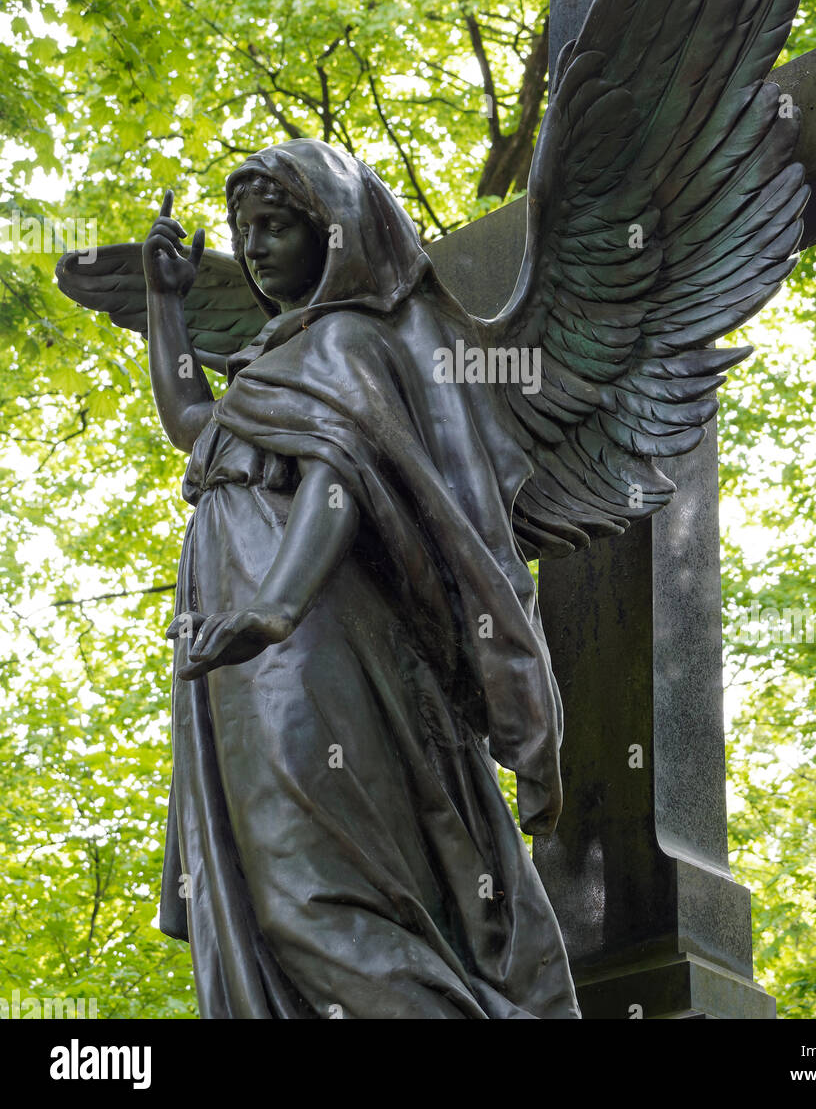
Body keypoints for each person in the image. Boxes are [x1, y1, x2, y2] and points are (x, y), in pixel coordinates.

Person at [145, 137, 580, 1019]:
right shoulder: (279, 357)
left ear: (334, 231)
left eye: (275, 226)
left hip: (305, 638)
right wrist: (164, 307)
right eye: (243, 229)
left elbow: (340, 479)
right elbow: (196, 422)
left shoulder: (347, 343)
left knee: (307, 890)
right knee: (270, 884)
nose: (254, 247)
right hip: (247, 639)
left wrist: (272, 609)